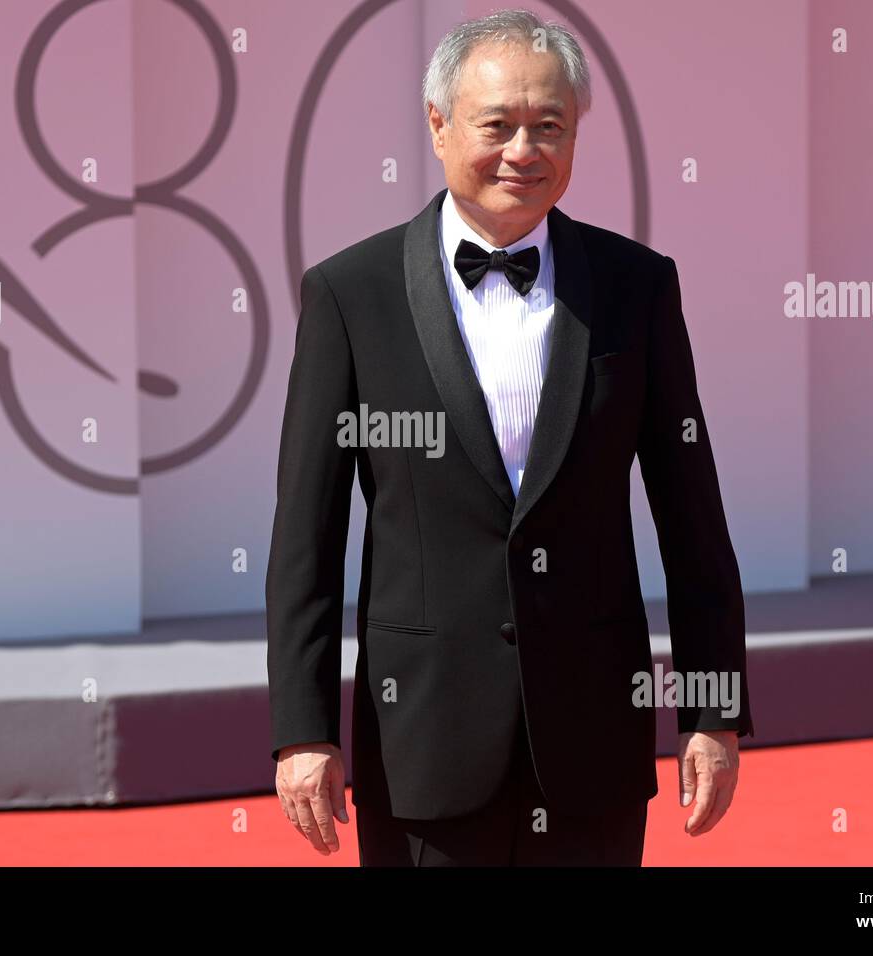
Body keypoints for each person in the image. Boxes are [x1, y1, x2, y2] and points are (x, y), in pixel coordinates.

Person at [267, 8, 752, 866]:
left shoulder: (637, 288)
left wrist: (713, 711)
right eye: (497, 125)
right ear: (439, 124)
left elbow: (693, 519)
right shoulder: (351, 294)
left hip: (593, 737)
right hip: (422, 740)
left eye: (549, 126)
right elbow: (307, 535)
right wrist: (302, 730)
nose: (523, 150)